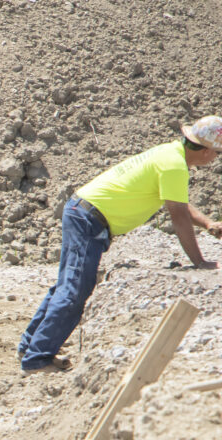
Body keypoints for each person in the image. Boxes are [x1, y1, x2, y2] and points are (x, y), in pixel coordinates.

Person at [18, 116, 222, 374]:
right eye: (216, 153)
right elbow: (178, 218)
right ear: (205, 151)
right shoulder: (174, 166)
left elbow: (178, 203)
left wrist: (207, 224)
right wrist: (199, 261)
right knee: (74, 291)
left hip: (84, 213)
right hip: (88, 219)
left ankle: (30, 348)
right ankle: (36, 360)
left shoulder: (170, 154)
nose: (215, 158)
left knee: (67, 286)